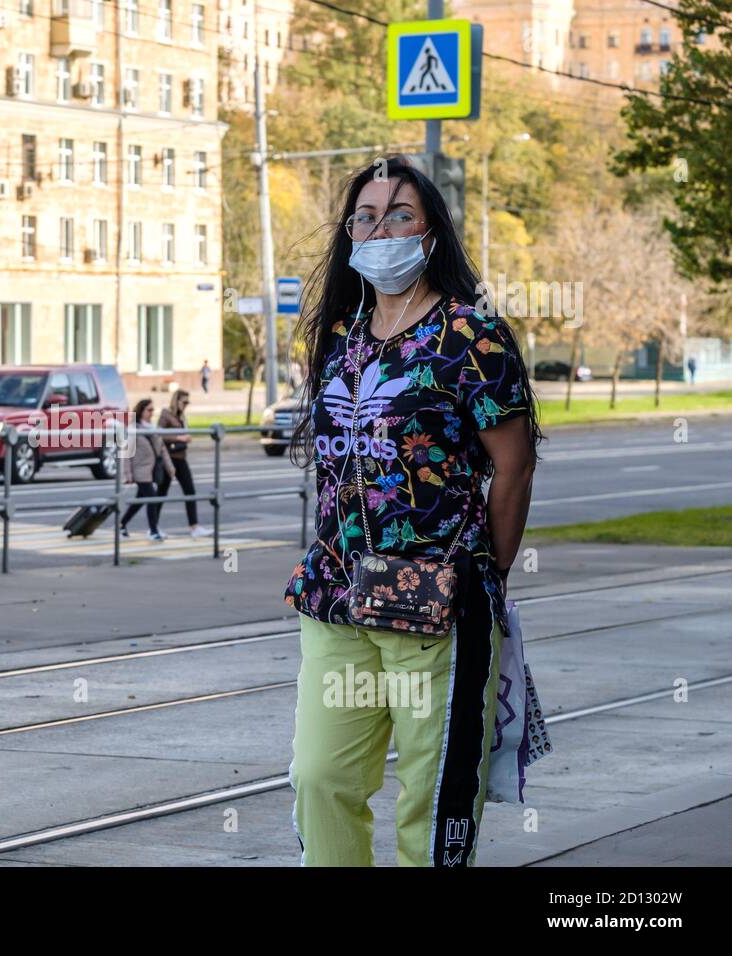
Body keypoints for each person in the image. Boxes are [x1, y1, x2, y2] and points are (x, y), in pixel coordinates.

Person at [282, 155, 541, 867]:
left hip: (439, 599)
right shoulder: (338, 337)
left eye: (399, 213)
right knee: (321, 776)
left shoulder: (471, 336)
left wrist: (488, 573)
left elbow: (514, 465)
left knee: (433, 798)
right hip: (336, 595)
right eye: (364, 215)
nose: (379, 227)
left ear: (431, 234)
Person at [157, 390, 212, 537]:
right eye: (184, 402)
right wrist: (180, 438)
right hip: (169, 459)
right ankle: (153, 527)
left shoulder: (181, 417)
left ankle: (195, 527)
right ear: (176, 401)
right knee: (161, 493)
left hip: (181, 458)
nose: (186, 405)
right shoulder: (166, 414)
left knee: (190, 491)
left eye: (188, 402)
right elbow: (159, 434)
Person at [120, 398, 174, 541]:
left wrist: (170, 466)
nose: (151, 413)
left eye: (152, 410)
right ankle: (153, 530)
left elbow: (162, 449)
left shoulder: (152, 428)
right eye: (149, 410)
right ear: (141, 411)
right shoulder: (133, 429)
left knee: (140, 500)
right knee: (152, 498)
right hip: (140, 471)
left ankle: (122, 524)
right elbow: (126, 453)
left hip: (151, 470)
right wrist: (127, 474)